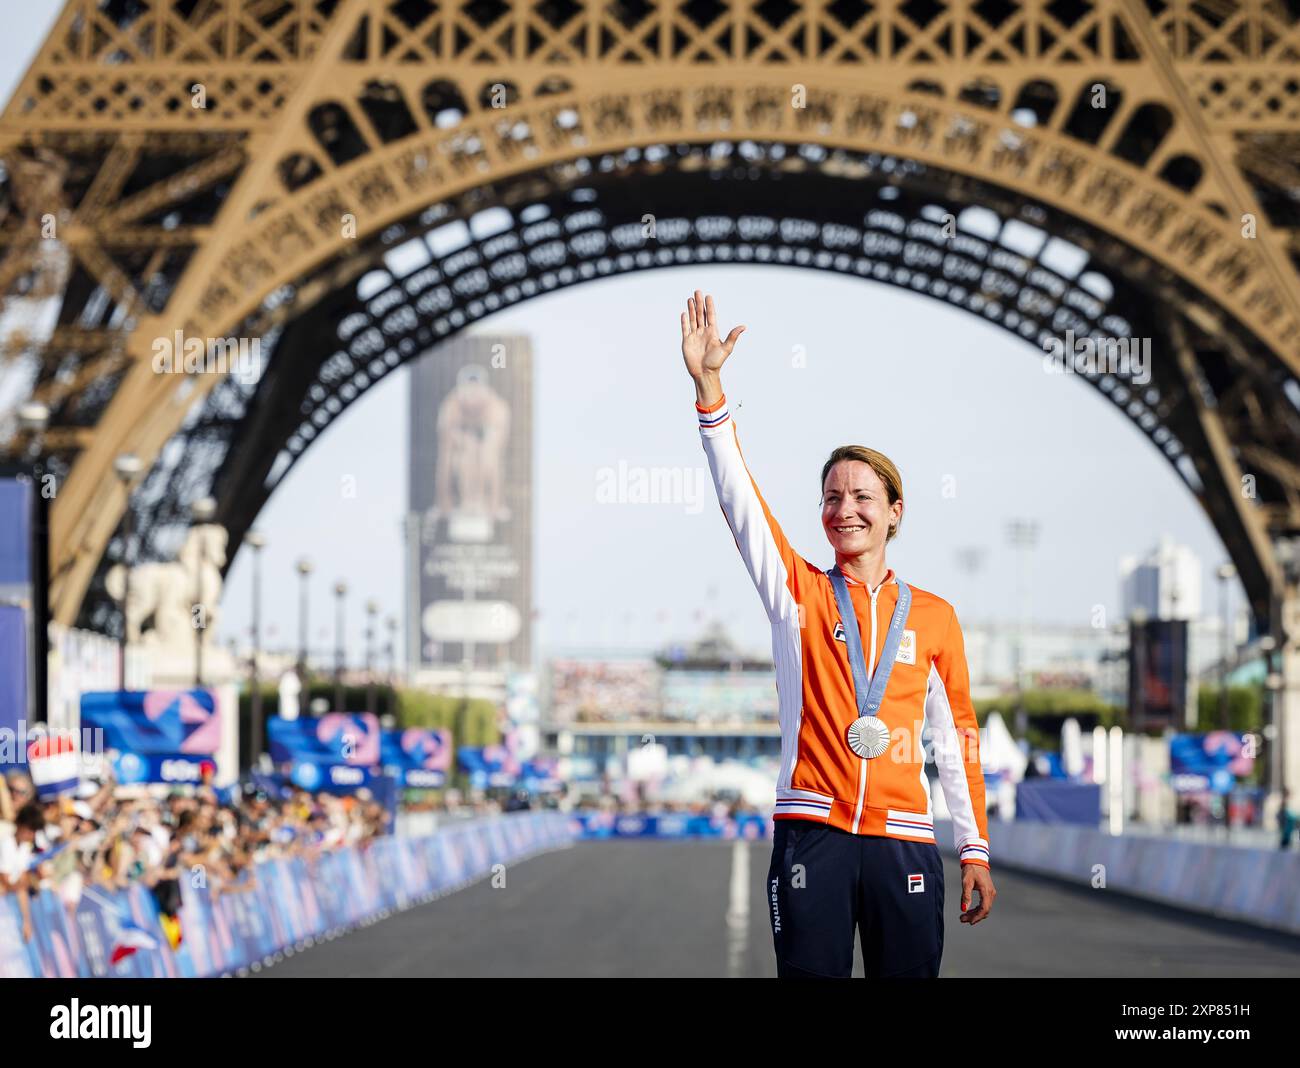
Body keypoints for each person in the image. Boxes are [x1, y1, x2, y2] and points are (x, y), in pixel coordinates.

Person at [681, 288, 996, 978]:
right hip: (812, 834)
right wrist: (711, 393)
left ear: (894, 513)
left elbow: (956, 738)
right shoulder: (797, 593)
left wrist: (973, 848)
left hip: (904, 843)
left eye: (860, 498)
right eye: (830, 497)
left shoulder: (936, 617)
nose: (843, 510)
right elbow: (742, 504)